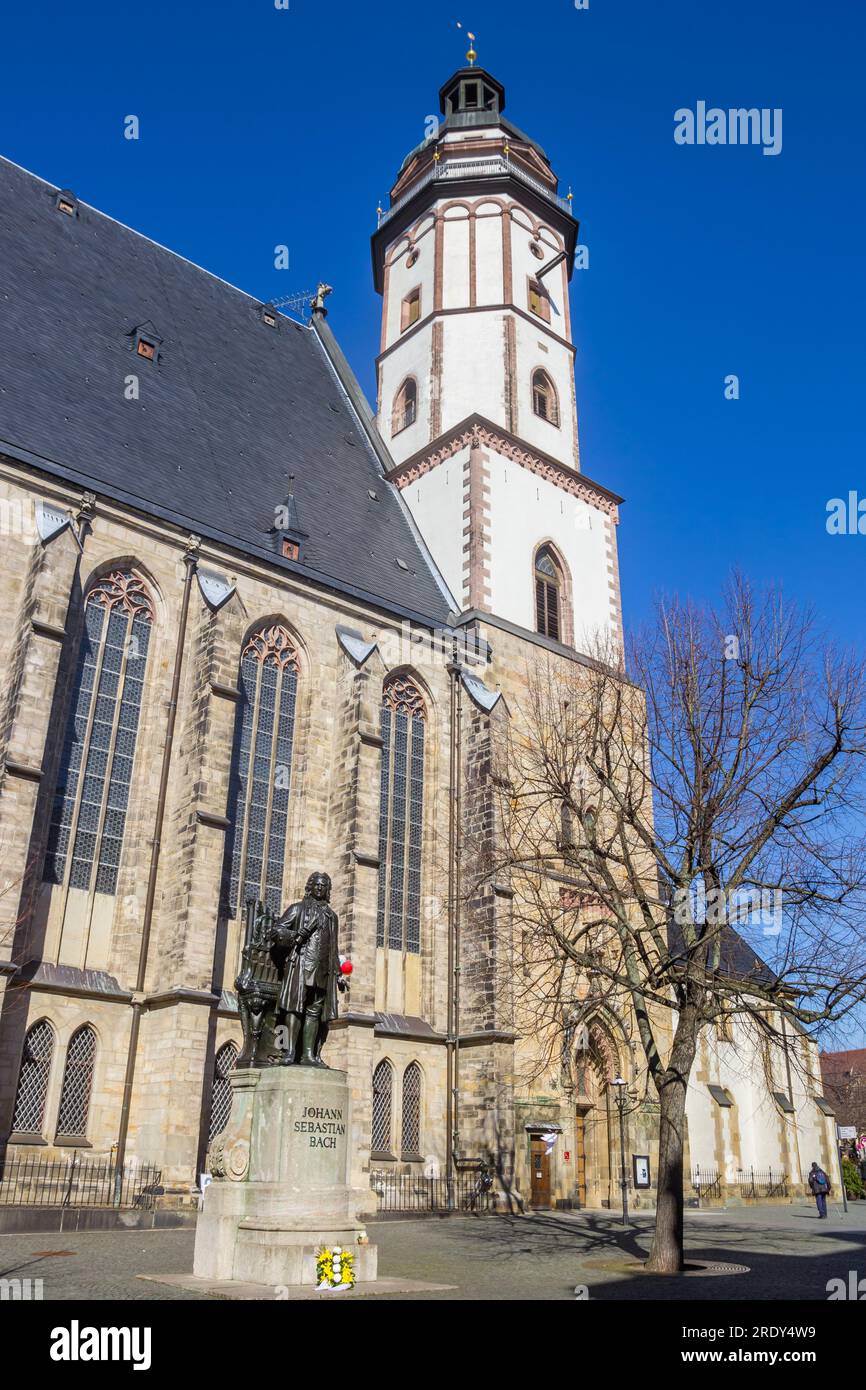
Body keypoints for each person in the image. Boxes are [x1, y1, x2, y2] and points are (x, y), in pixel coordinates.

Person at [270, 871, 347, 1067]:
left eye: (324, 885)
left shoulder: (332, 917)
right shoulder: (298, 909)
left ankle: (308, 1055)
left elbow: (334, 947)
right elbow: (277, 931)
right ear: (310, 886)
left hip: (323, 970)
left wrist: (338, 974)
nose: (320, 888)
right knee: (295, 1008)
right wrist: (297, 934)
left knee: (315, 1011)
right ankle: (290, 1052)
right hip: (301, 967)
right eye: (317, 885)